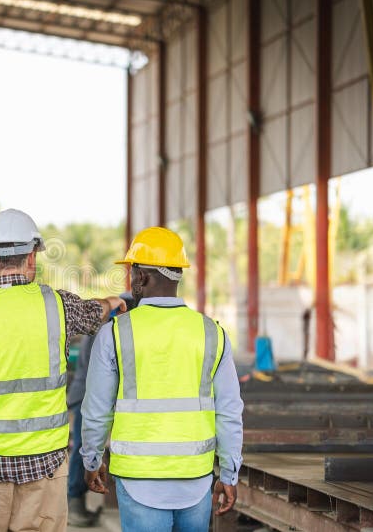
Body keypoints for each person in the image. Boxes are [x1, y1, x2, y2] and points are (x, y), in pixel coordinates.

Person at [0, 208, 126, 532]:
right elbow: (95, 312)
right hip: (45, 467)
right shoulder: (58, 305)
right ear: (31, 259)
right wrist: (113, 302)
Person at [81, 226, 243, 532]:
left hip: (139, 478)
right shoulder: (212, 333)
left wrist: (92, 461)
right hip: (195, 479)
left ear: (142, 277)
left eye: (132, 271)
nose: (130, 279)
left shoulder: (116, 333)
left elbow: (96, 408)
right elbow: (230, 411)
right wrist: (229, 475)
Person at [66, 292, 133, 528]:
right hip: (87, 394)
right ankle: (74, 502)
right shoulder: (108, 330)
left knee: (87, 446)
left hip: (89, 392)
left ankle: (76, 501)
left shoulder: (106, 326)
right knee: (85, 448)